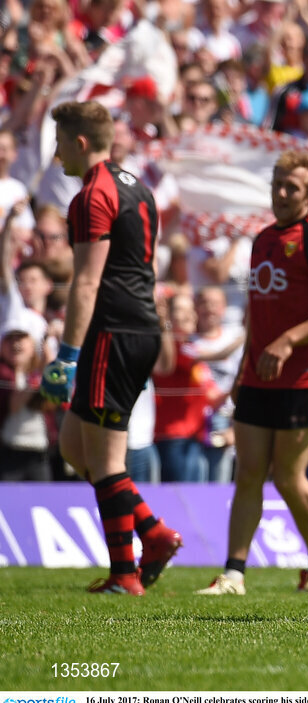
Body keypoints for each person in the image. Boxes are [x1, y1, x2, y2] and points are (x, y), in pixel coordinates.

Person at [40, 100, 181, 596]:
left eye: (59, 145)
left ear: (81, 143)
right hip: (137, 326)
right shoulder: (135, 185)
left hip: (113, 333)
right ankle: (151, 534)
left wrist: (66, 356)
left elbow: (85, 283)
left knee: (103, 460)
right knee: (76, 448)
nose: (56, 157)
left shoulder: (91, 196)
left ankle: (128, 571)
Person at [196, 150, 308, 597]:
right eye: (278, 183)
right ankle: (234, 575)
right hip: (258, 377)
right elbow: (257, 314)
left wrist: (287, 341)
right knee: (247, 473)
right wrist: (243, 371)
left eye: (293, 188)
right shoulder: (262, 239)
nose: (281, 193)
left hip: (305, 379)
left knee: (287, 477)